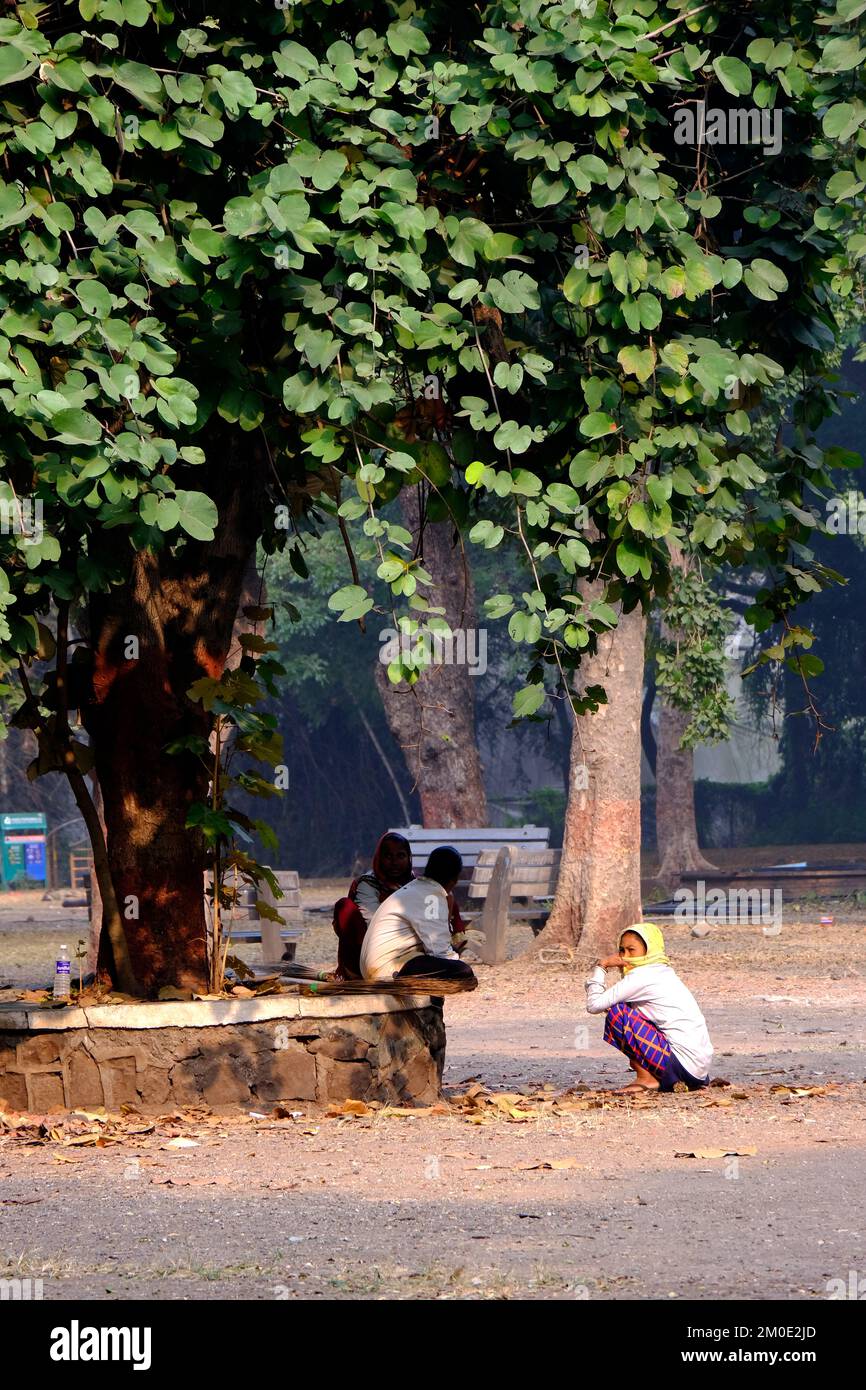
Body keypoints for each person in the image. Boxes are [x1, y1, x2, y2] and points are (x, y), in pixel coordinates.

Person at [584, 922, 713, 1093]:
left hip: (683, 1067)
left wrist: (601, 967)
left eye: (632, 950)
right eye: (622, 950)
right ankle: (658, 1076)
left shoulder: (641, 976)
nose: (625, 956)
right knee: (621, 1008)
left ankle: (647, 1078)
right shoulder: (662, 971)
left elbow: (594, 1006)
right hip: (698, 1073)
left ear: (649, 950)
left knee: (618, 1013)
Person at [332, 833, 467, 979]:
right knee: (461, 970)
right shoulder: (369, 884)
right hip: (378, 957)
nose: (394, 862)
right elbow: (438, 949)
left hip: (401, 954)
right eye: (388, 856)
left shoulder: (417, 885)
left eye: (400, 856)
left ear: (409, 858)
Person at [360, 845, 476, 987]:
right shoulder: (431, 897)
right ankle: (402, 978)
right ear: (455, 879)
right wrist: (457, 964)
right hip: (386, 969)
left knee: (456, 966)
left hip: (374, 967)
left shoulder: (419, 888)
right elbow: (439, 951)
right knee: (463, 971)